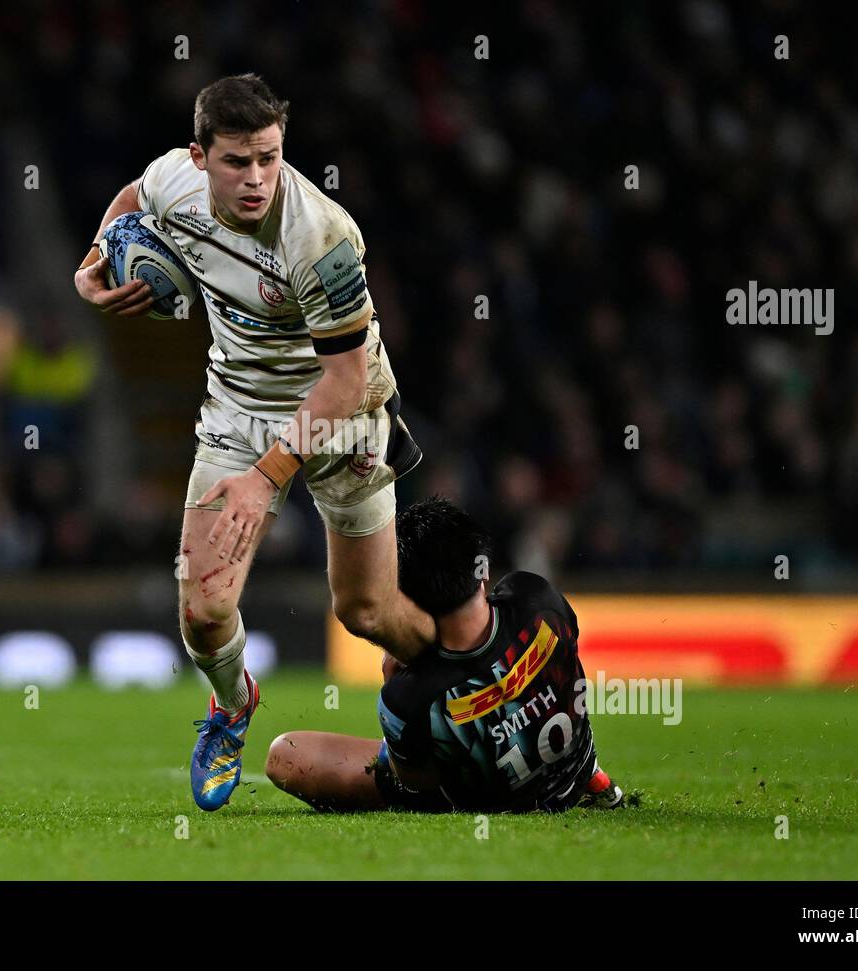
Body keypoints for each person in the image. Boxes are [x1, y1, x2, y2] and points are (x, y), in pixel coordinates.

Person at [74, 74, 435, 810]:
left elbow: (343, 377)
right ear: (199, 157)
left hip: (342, 414)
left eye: (269, 157)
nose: (257, 178)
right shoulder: (174, 182)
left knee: (364, 611)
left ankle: (470, 676)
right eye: (237, 161)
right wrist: (92, 265)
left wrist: (266, 478)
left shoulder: (322, 236)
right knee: (203, 612)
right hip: (239, 407)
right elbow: (131, 202)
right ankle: (232, 707)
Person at [266, 497, 625, 813]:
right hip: (570, 771)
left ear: (408, 597)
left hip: (478, 798)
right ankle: (590, 775)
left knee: (285, 754)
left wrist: (399, 678)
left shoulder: (408, 693)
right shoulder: (535, 595)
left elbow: (415, 782)